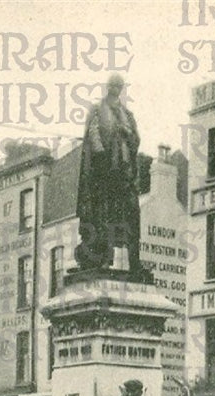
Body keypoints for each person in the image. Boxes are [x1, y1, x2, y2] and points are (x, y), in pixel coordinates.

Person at [76, 74, 143, 278]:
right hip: (103, 174)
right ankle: (103, 257)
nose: (116, 88)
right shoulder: (97, 109)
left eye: (119, 86)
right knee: (102, 215)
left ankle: (135, 262)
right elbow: (93, 135)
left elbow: (136, 141)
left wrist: (126, 132)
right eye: (113, 85)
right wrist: (102, 158)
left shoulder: (127, 114)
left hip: (124, 174)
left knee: (131, 214)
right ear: (107, 87)